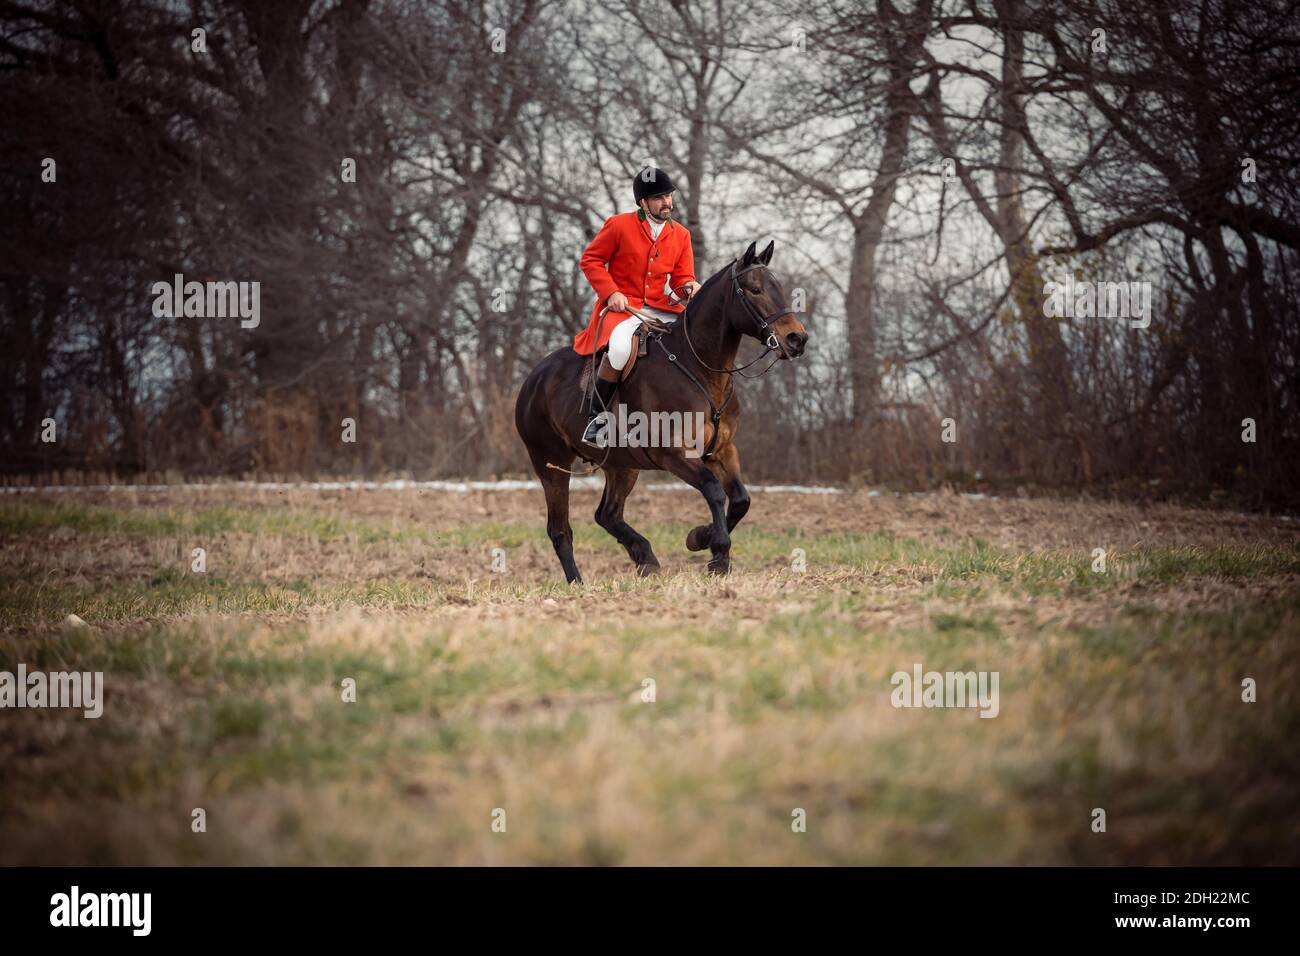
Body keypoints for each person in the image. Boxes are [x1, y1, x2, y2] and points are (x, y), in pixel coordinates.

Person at [573, 166, 701, 448]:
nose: (666, 202)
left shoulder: (680, 234)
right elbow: (590, 260)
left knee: (691, 340)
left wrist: (690, 286)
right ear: (643, 203)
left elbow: (682, 278)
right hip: (622, 308)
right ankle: (597, 419)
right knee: (620, 347)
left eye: (668, 195)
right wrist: (611, 293)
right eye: (658, 198)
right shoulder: (618, 225)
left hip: (660, 306)